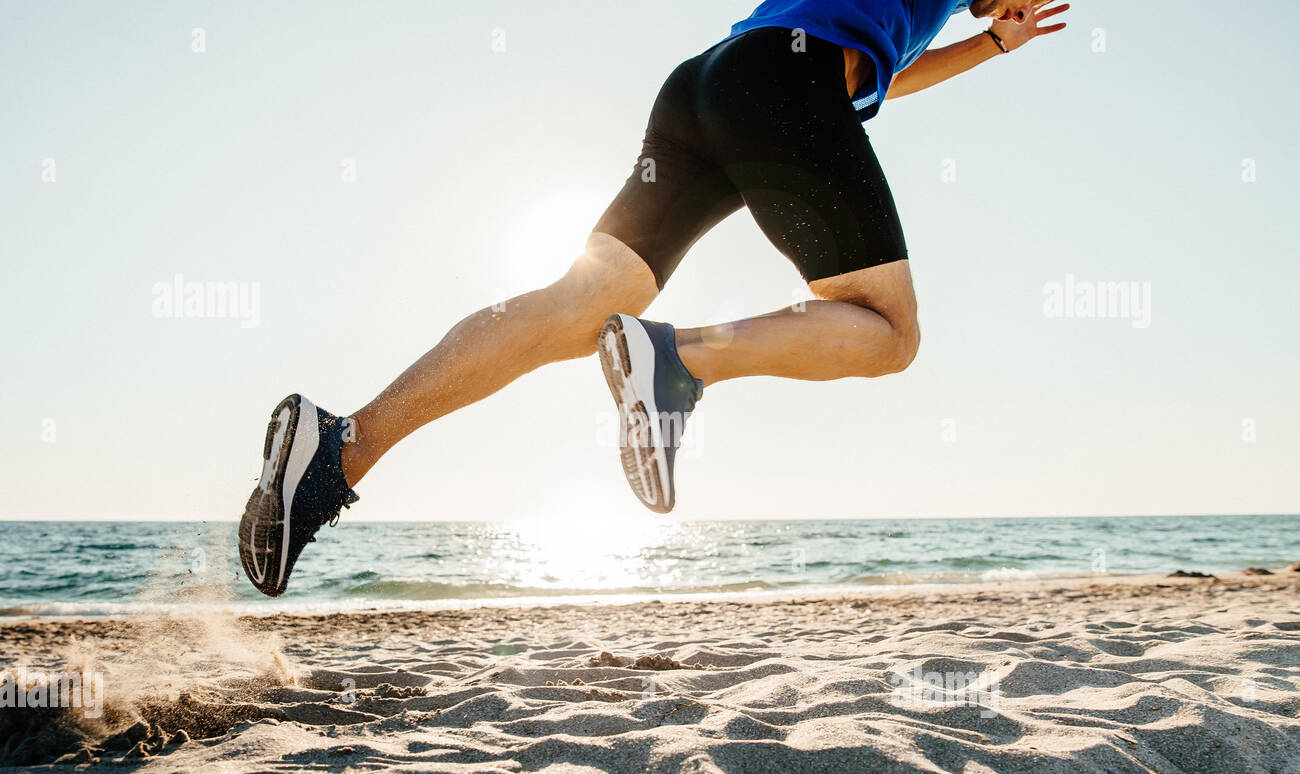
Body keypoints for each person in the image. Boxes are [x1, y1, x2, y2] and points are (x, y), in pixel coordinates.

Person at [238, 0, 1069, 597]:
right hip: (785, 85)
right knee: (890, 333)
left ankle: (341, 445)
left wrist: (995, 42)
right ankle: (675, 361)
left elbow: (890, 75)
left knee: (574, 307)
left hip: (709, 86)